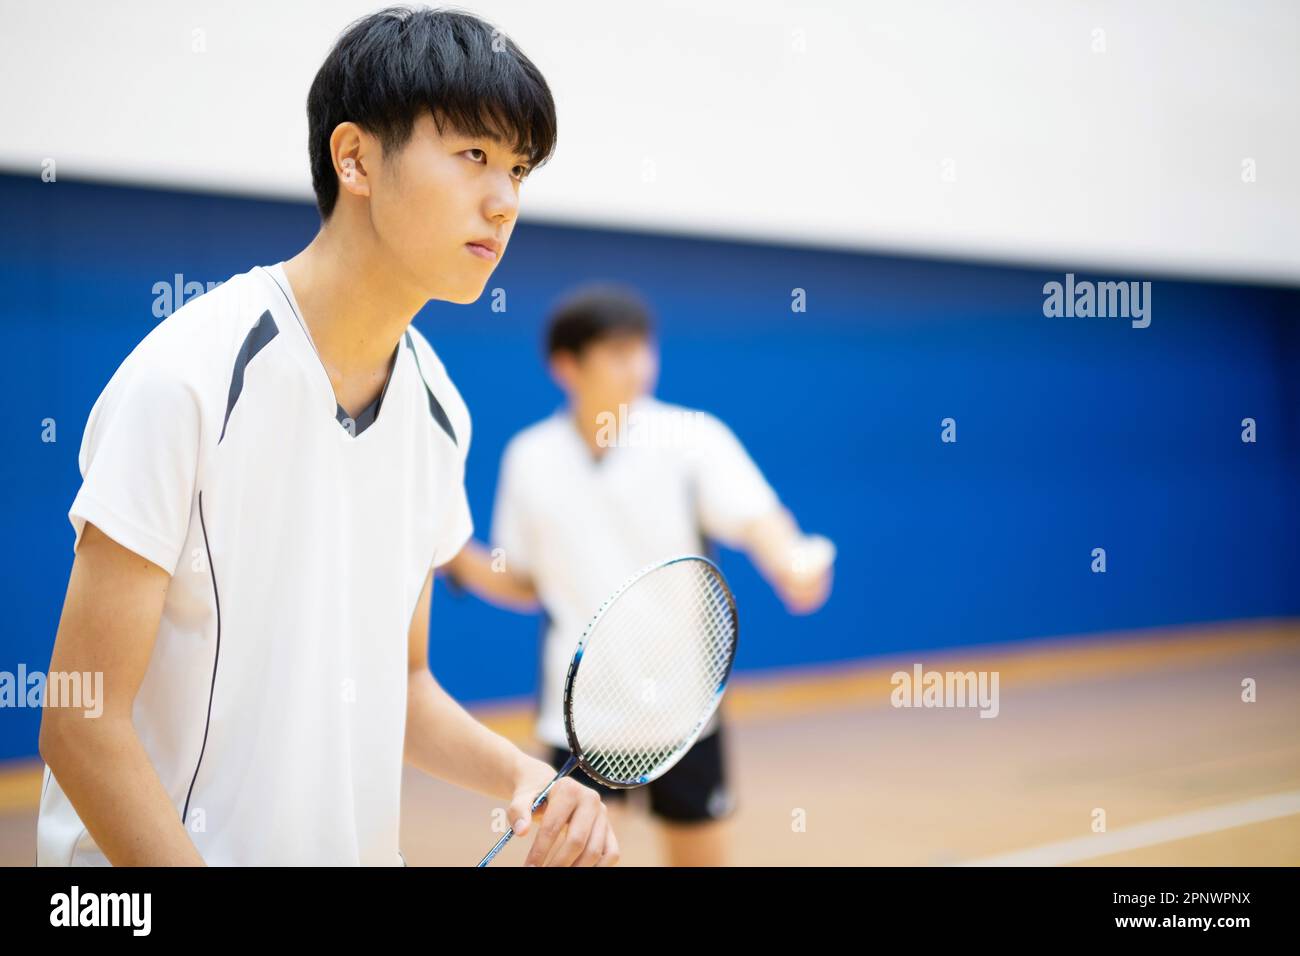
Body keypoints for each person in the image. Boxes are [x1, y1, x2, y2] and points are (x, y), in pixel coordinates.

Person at [37, 6, 619, 867]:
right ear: (355, 158)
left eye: (519, 170)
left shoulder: (437, 410)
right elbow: (82, 722)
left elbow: (405, 685)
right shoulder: (190, 377)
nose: (503, 202)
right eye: (474, 156)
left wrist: (528, 778)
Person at [444, 283, 835, 866]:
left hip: (683, 717)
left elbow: (760, 520)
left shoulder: (691, 437)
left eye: (644, 349)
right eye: (619, 352)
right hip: (579, 719)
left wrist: (789, 561)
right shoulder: (530, 457)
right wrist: (448, 553)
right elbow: (525, 581)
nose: (641, 366)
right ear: (566, 365)